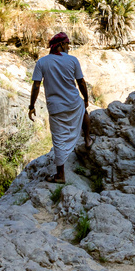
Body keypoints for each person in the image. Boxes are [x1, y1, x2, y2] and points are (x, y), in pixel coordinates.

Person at [29, 32, 92, 184]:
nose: (69, 46)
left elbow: (36, 85)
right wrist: (86, 99)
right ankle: (88, 138)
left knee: (58, 139)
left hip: (56, 107)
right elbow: (81, 82)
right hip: (73, 102)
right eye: (67, 43)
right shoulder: (72, 60)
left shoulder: (42, 62)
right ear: (61, 45)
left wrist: (31, 105)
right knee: (83, 112)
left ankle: (60, 175)